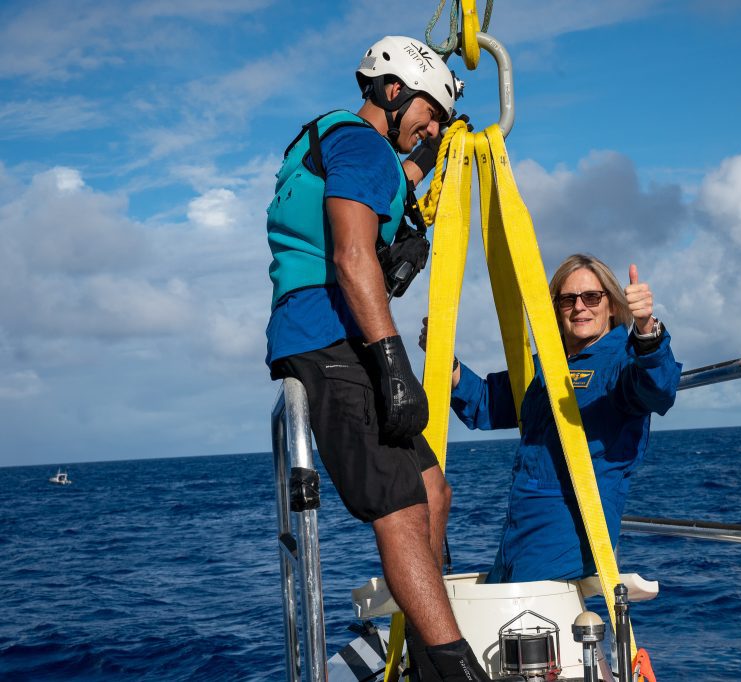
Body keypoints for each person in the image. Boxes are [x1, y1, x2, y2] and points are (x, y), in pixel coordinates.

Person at [265, 36, 513, 682]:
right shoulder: (358, 143)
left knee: (433, 489)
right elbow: (350, 256)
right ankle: (451, 667)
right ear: (393, 91)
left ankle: (430, 650)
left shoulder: (359, 150)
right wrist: (394, 363)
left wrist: (419, 175)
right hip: (330, 340)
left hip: (348, 337)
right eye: (429, 114)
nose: (430, 131)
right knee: (400, 504)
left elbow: (387, 190)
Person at [420, 254, 681, 583]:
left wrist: (647, 331)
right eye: (568, 299)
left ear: (613, 305)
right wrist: (446, 360)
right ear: (555, 309)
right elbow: (487, 403)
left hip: (569, 530)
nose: (580, 307)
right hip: (520, 528)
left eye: (591, 297)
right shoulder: (546, 365)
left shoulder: (623, 360)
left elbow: (659, 390)